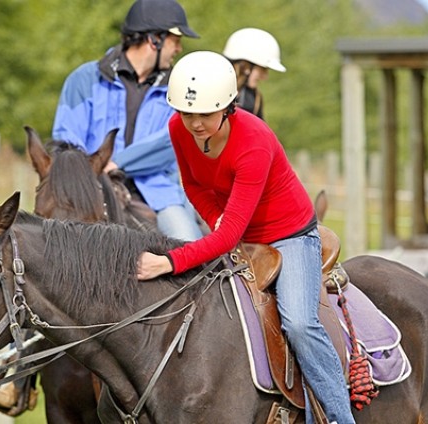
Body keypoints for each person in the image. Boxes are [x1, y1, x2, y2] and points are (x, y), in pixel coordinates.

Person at [136, 51, 355, 424]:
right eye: (187, 113)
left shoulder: (253, 141)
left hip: (288, 235)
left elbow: (226, 238)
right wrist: (216, 218)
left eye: (205, 114)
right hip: (237, 233)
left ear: (227, 107)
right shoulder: (178, 128)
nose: (195, 123)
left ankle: (338, 416)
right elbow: (194, 186)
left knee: (299, 324)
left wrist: (169, 261)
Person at [51, 0, 204, 241]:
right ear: (154, 39)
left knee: (189, 242)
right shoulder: (84, 79)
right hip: (90, 190)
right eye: (175, 40)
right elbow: (66, 139)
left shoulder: (180, 88)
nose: (179, 48)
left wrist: (117, 163)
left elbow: (174, 138)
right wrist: (92, 170)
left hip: (158, 195)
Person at [222, 27, 286, 119]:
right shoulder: (209, 88)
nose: (265, 77)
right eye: (263, 69)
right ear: (245, 66)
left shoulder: (253, 100)